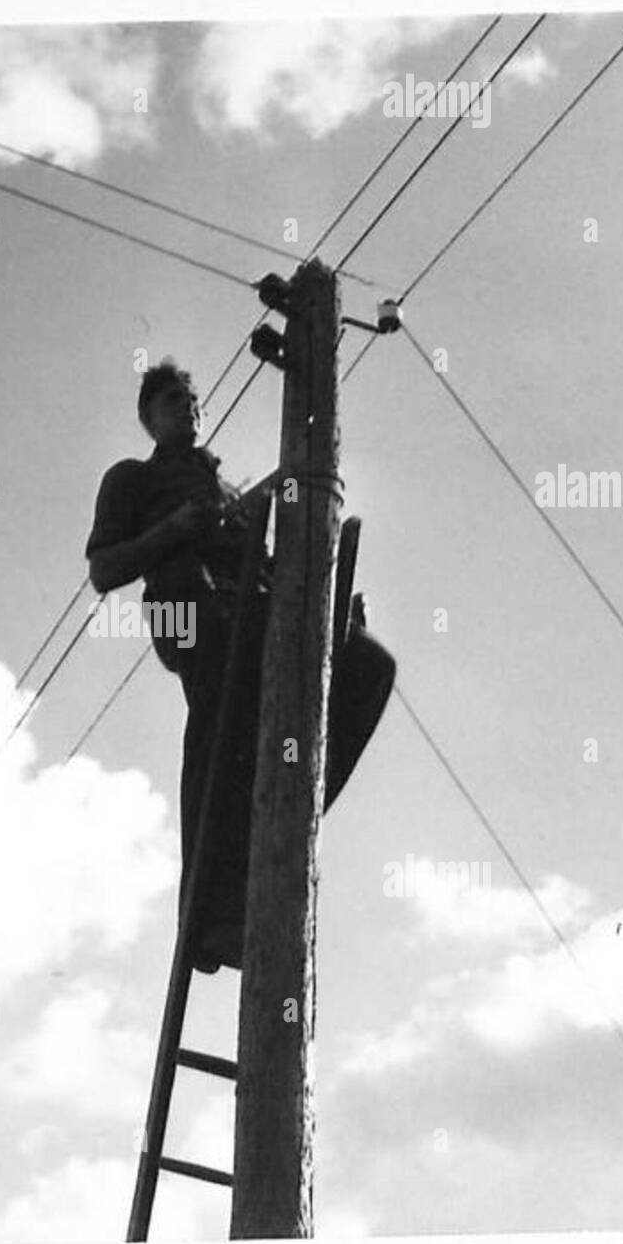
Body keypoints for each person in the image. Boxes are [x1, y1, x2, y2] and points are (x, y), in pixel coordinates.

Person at [85, 359, 395, 972]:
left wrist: (333, 609)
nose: (187, 408)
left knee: (368, 665)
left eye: (192, 400)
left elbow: (275, 568)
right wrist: (174, 528)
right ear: (148, 417)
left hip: (250, 608)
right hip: (179, 607)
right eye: (172, 399)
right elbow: (104, 571)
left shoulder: (230, 489)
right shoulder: (131, 478)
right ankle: (205, 911)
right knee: (217, 712)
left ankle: (285, 814)